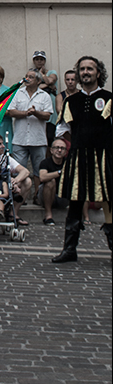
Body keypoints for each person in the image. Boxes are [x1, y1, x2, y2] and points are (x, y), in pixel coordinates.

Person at [51, 56, 112, 263]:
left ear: (98, 73)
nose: (86, 72)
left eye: (90, 69)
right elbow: (63, 130)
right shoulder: (70, 101)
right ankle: (70, 250)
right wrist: (80, 142)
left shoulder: (110, 98)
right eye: (82, 69)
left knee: (109, 203)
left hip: (104, 159)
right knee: (75, 202)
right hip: (78, 158)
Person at [7, 68, 53, 196]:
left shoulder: (45, 96)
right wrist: (26, 113)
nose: (27, 79)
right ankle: (21, 196)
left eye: (31, 77)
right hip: (20, 139)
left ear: (38, 81)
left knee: (39, 171)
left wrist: (36, 112)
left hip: (38, 139)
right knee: (18, 171)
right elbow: (11, 111)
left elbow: (47, 115)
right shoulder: (18, 93)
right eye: (26, 76)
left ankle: (38, 196)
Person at [0, 133, 32, 225]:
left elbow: (25, 171)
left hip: (4, 187)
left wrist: (15, 181)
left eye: (3, 143)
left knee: (27, 181)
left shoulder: (5, 158)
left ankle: (13, 213)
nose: (3, 146)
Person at [38, 138, 70, 225]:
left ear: (66, 151)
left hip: (63, 197)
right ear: (51, 150)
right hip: (45, 196)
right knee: (50, 181)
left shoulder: (68, 163)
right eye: (57, 147)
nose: (59, 150)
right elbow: (42, 177)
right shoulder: (45, 162)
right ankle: (48, 215)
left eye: (62, 148)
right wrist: (60, 172)